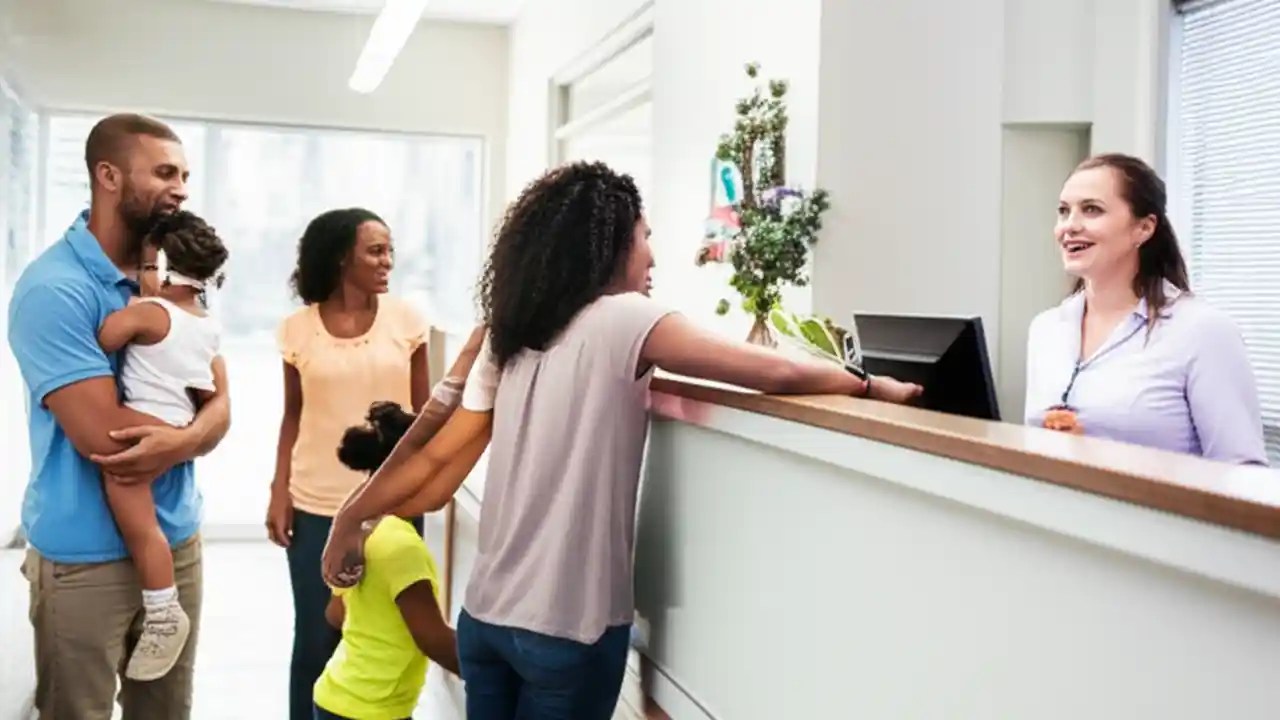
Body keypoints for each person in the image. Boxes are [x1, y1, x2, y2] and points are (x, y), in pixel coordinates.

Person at [321, 161, 923, 720]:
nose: (653, 253)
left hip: (485, 624)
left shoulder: (512, 334)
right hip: (568, 632)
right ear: (609, 243)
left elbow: (434, 465)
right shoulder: (626, 318)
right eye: (645, 235)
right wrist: (870, 386)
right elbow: (774, 371)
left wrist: (353, 518)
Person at [7, 113, 230, 719]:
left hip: (177, 540)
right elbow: (110, 440)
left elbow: (219, 399)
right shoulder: (55, 290)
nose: (181, 187)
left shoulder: (175, 280)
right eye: (164, 172)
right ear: (107, 176)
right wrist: (197, 433)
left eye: (185, 173)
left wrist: (193, 434)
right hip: (85, 560)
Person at [269, 207, 432, 720]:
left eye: (390, 250)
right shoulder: (297, 330)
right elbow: (292, 414)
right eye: (376, 250)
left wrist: (422, 491)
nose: (388, 261)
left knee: (384, 635)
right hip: (316, 502)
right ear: (343, 257)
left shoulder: (407, 321)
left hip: (393, 505)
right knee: (317, 636)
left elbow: (424, 418)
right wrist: (279, 491)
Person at [1024, 153, 1267, 465]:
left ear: (1143, 228)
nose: (1069, 226)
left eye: (1092, 210)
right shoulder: (1046, 329)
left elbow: (1242, 470)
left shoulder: (1202, 331)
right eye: (1063, 211)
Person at [95, 209, 228, 681]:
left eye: (149, 267)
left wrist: (123, 306)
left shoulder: (151, 312)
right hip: (177, 422)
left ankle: (164, 610)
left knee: (138, 525)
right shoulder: (206, 323)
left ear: (168, 270)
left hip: (143, 423)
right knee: (148, 524)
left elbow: (106, 336)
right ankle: (163, 607)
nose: (141, 275)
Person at [311, 399, 471, 720]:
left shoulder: (361, 530)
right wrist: (494, 670)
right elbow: (432, 638)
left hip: (338, 696)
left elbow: (337, 613)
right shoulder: (401, 546)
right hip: (370, 711)